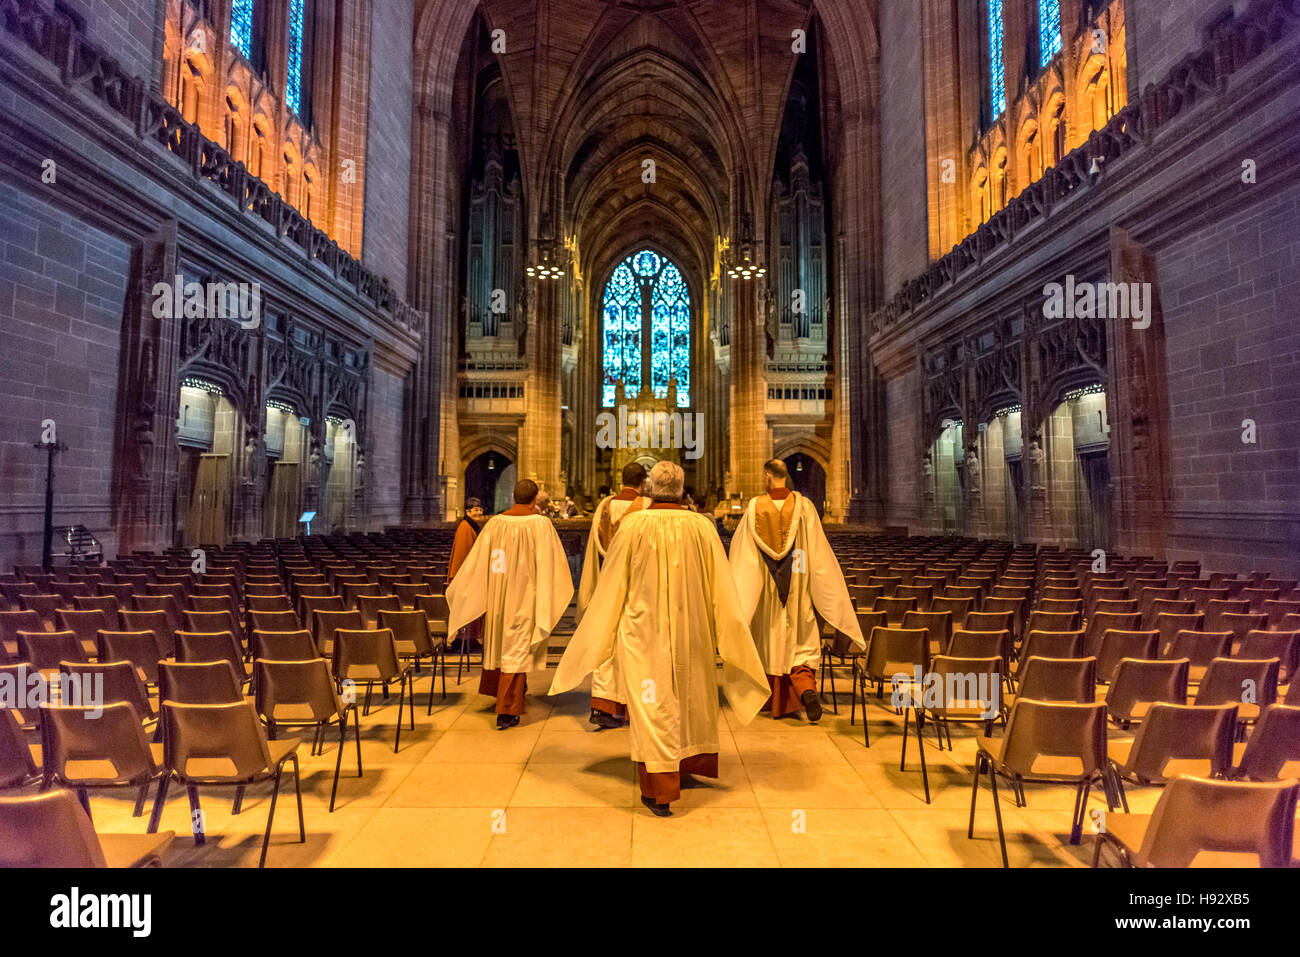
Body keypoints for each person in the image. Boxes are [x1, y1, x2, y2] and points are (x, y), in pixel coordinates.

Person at [553, 462, 769, 816]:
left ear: (650, 488)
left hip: (643, 631)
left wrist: (598, 631)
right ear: (682, 489)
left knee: (653, 706)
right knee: (689, 699)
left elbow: (612, 584)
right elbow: (723, 587)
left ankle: (660, 785)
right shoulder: (702, 527)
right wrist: (728, 630)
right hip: (692, 631)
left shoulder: (634, 526)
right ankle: (674, 773)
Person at [729, 458, 863, 722]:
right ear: (785, 476)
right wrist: (821, 586)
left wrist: (742, 593)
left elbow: (742, 555)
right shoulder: (805, 507)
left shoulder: (754, 507)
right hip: (798, 585)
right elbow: (818, 553)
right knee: (800, 642)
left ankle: (771, 698)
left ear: (768, 476)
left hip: (767, 587)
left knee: (770, 642)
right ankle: (806, 690)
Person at [446, 480, 574, 728]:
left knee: (504, 646)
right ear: (535, 499)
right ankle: (507, 709)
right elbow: (552, 563)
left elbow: (478, 563)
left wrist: (469, 592)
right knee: (516, 650)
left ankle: (511, 694)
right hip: (524, 598)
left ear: (513, 496)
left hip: (498, 597)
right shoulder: (541, 525)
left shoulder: (494, 524)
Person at [576, 462, 651, 729]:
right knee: (636, 648)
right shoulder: (646, 507)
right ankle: (632, 706)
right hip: (635, 588)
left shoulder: (603, 506)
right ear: (643, 482)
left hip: (606, 584)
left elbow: (594, 548)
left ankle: (604, 707)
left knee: (605, 646)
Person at [447, 498, 486, 652]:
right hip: (465, 576)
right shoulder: (465, 528)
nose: (479, 513)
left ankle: (471, 639)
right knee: (467, 608)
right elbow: (464, 556)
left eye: (480, 510)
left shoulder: (470, 526)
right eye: (475, 510)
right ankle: (465, 641)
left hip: (468, 575)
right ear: (468, 512)